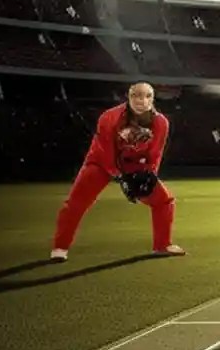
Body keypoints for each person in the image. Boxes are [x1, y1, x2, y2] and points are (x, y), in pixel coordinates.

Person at [51, 82, 185, 261]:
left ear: (153, 99)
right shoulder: (110, 117)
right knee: (76, 203)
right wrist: (122, 178)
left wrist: (149, 176)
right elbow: (107, 151)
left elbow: (155, 153)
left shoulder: (160, 122)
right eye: (136, 96)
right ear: (128, 98)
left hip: (135, 166)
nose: (141, 100)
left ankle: (162, 245)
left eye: (146, 96)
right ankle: (60, 248)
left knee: (164, 202)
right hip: (100, 163)